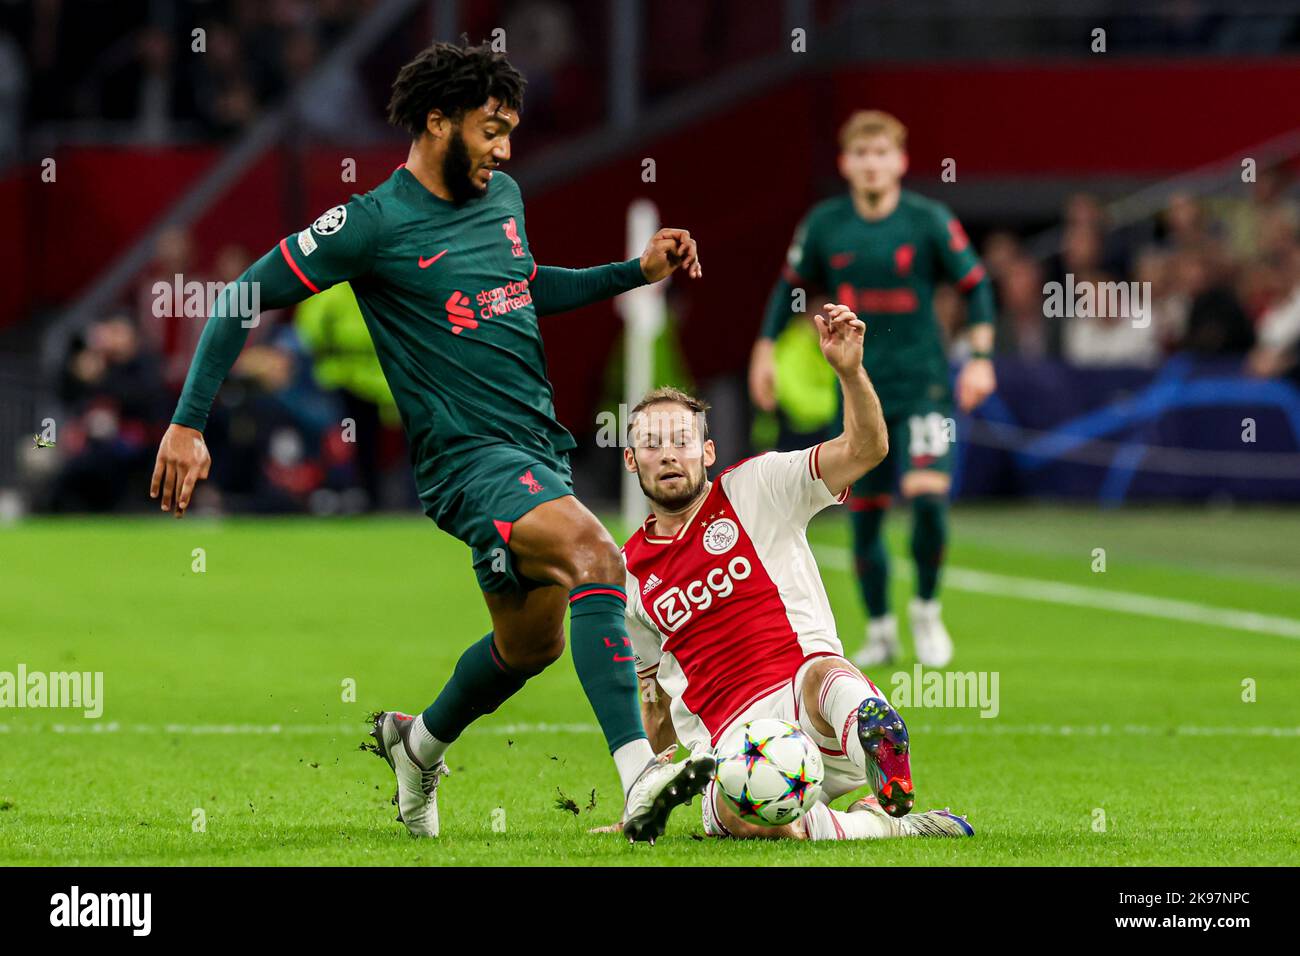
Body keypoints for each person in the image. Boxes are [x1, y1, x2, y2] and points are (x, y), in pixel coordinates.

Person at [151, 40, 709, 843]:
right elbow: (241, 293)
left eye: (510, 131)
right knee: (599, 558)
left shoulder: (505, 196)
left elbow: (521, 284)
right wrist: (187, 420)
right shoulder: (371, 223)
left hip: (534, 448)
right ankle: (640, 776)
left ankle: (418, 746)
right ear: (436, 121)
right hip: (468, 460)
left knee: (533, 643)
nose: (504, 149)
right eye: (490, 129)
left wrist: (631, 272)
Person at [615, 303, 972, 841]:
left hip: (812, 707)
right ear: (630, 459)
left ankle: (877, 736)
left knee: (823, 674)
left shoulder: (759, 485)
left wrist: (850, 373)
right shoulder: (628, 574)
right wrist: (637, 795)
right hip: (730, 746)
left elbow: (867, 448)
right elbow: (654, 700)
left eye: (682, 441)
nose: (669, 456)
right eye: (652, 444)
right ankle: (883, 826)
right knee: (750, 815)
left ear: (707, 451)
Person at [748, 110, 997, 668]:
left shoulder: (928, 220)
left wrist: (980, 358)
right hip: (861, 387)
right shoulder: (826, 224)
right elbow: (787, 288)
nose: (871, 164)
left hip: (925, 383)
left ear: (901, 161)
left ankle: (927, 611)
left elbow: (976, 286)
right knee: (866, 512)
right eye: (861, 154)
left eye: (882, 153)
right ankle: (881, 628)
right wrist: (763, 351)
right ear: (846, 163)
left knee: (929, 498)